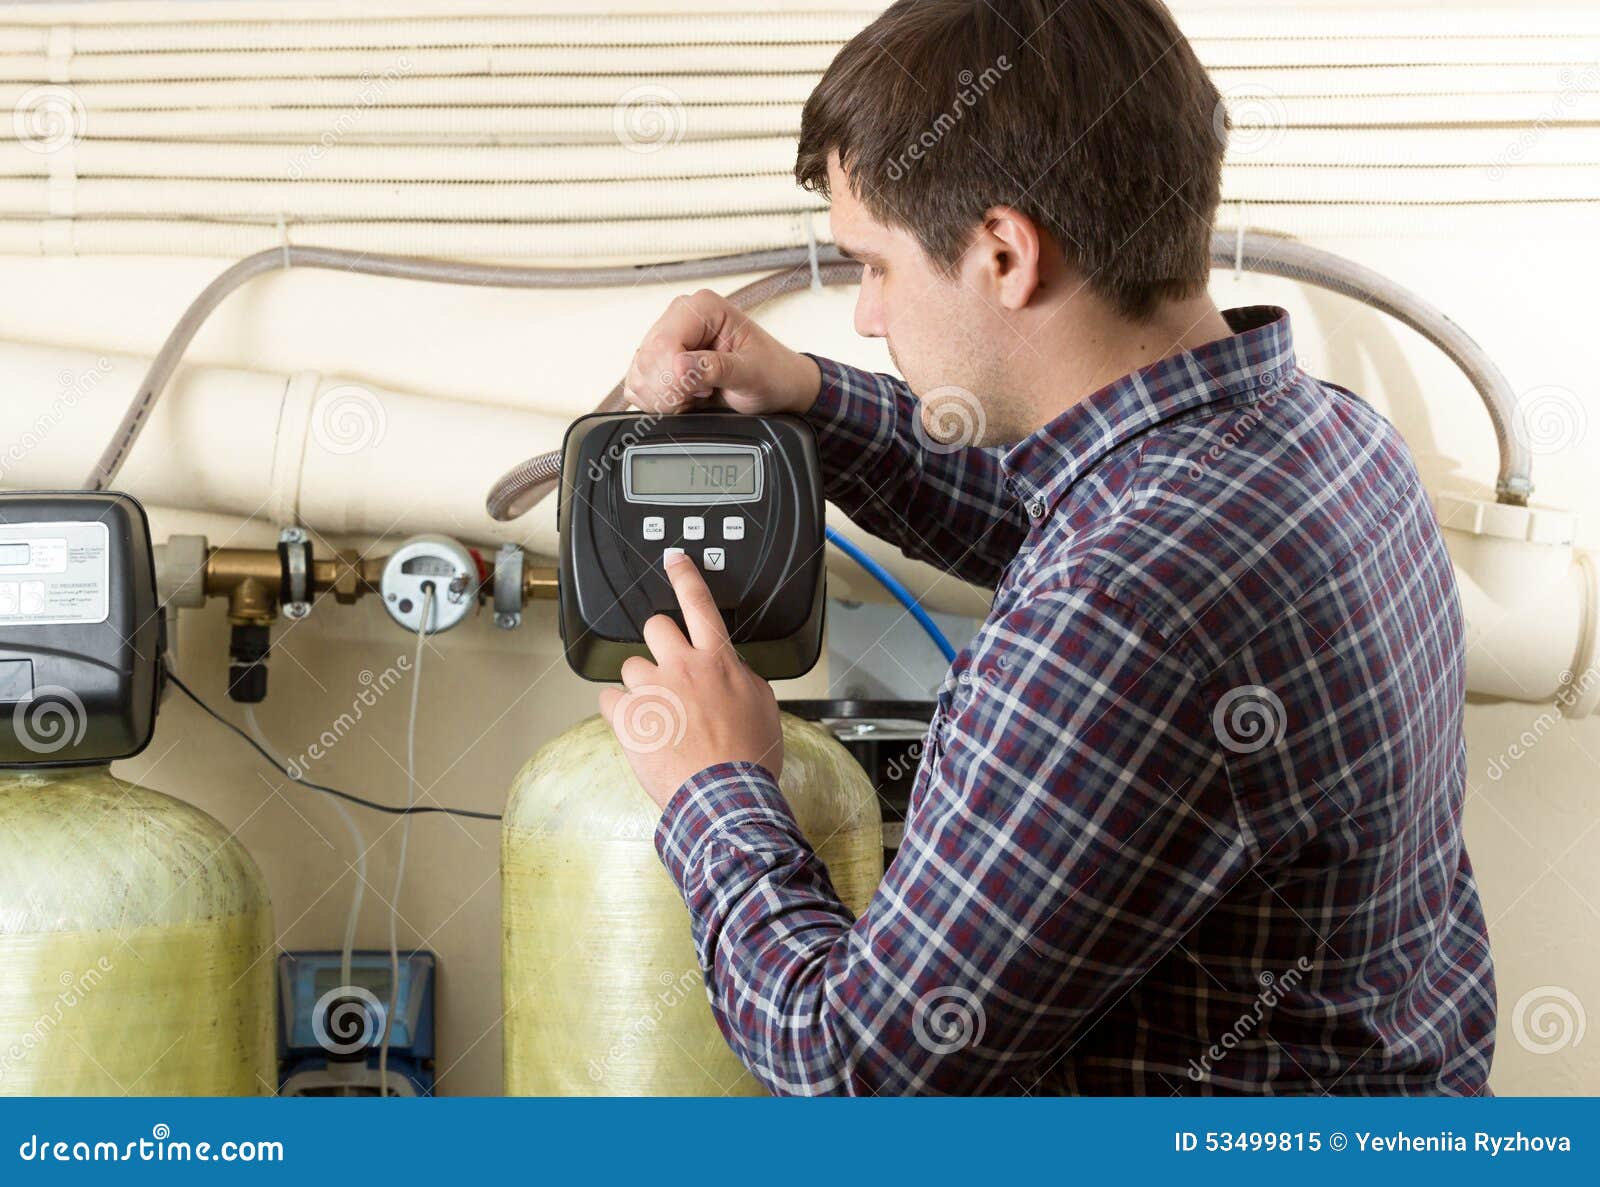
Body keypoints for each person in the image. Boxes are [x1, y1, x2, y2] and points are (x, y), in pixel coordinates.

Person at [599, 0, 1495, 1095]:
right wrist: (814, 400)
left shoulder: (1120, 605)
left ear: (1004, 251)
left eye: (873, 266)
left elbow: (857, 1065)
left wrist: (716, 781)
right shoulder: (1333, 439)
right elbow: (1057, 510)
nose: (870, 316)